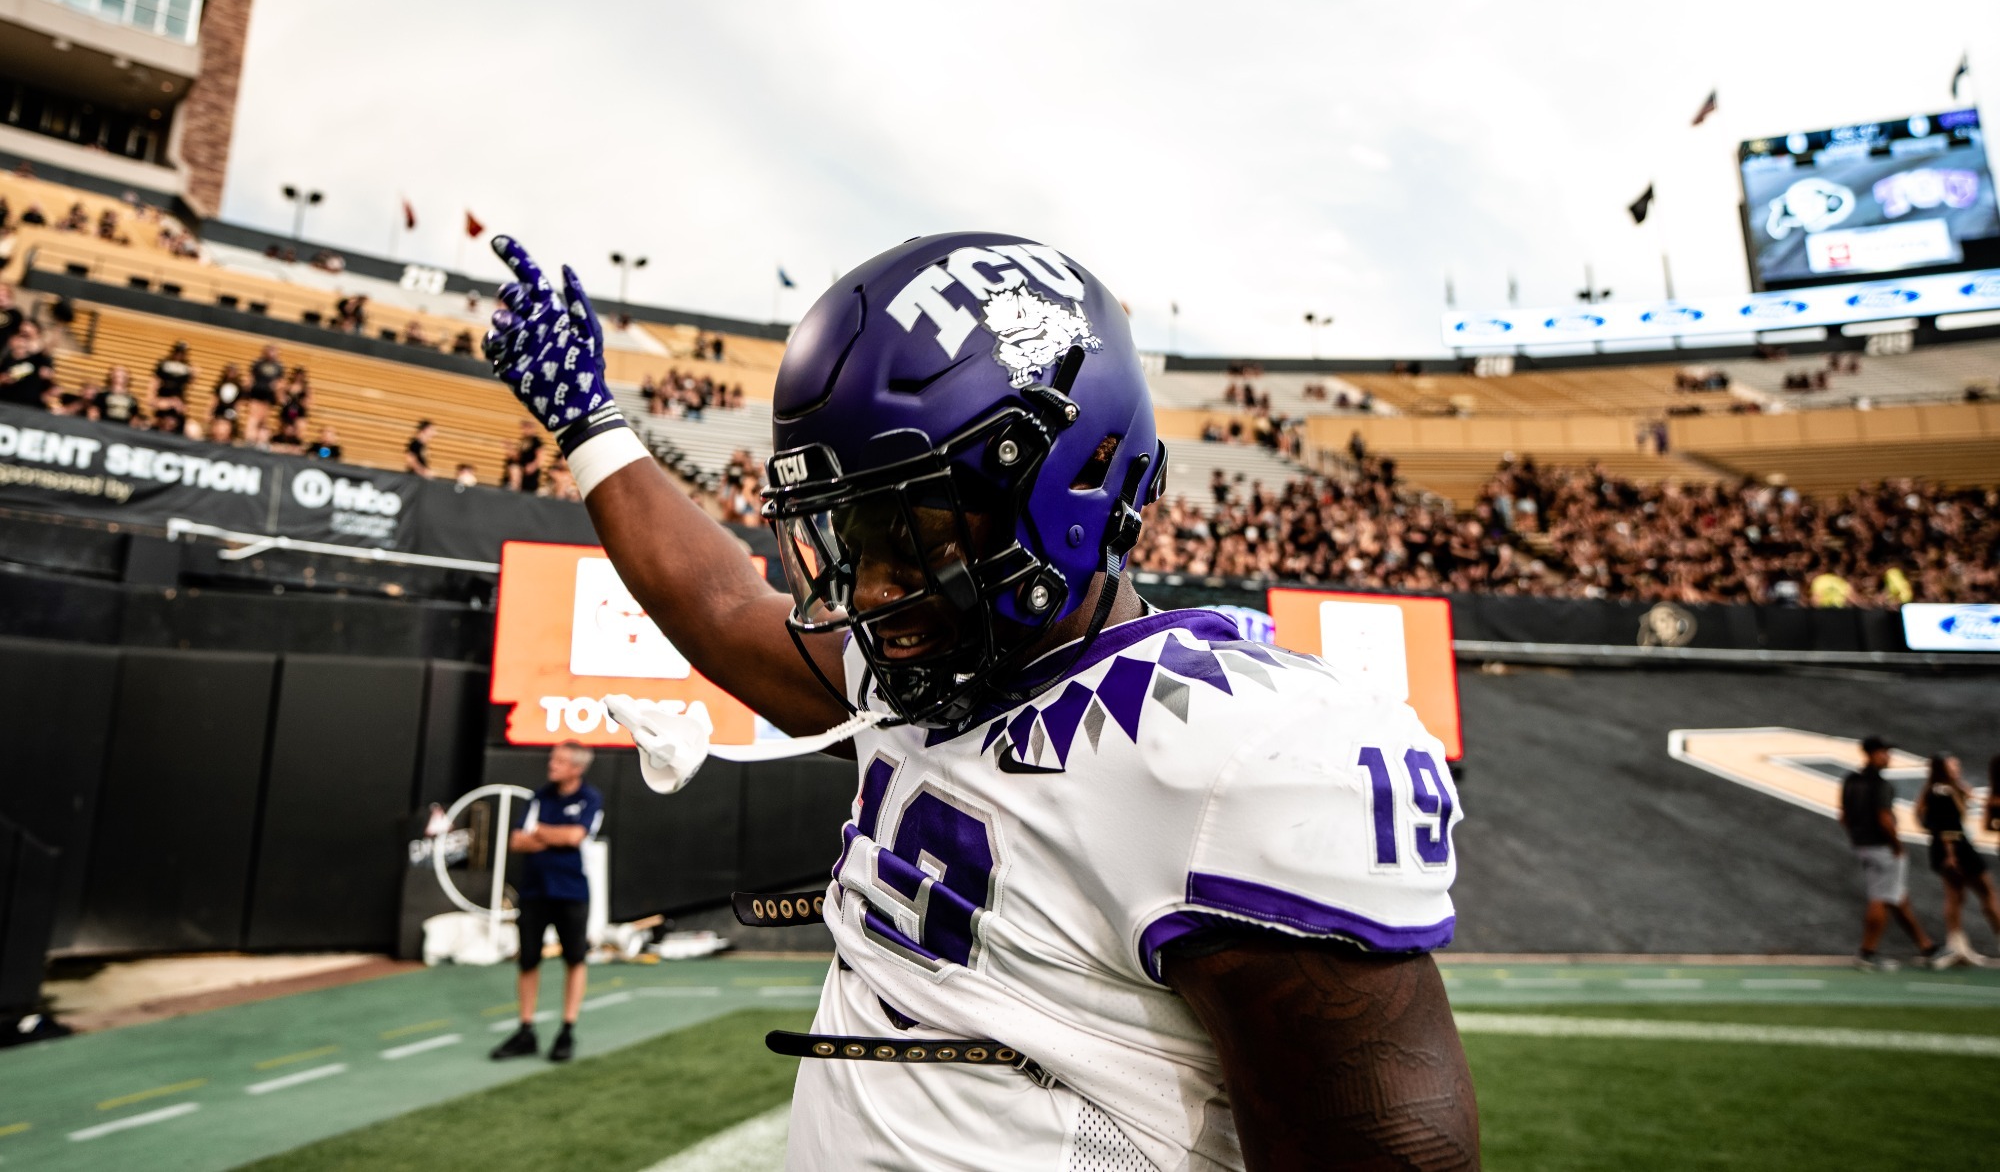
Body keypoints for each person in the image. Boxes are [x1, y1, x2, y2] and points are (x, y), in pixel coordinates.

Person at [482, 233, 1477, 1170]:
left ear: (1072, 483)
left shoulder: (1228, 754)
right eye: (845, 534)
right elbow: (722, 604)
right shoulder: (931, 664)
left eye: (908, 531)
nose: (870, 589)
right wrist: (590, 427)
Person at [490, 742, 603, 1065]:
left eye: (560, 761)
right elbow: (517, 840)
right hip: (534, 893)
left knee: (574, 959)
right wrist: (553, 835)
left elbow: (575, 837)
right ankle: (526, 1030)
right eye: (553, 759)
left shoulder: (589, 798)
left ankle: (567, 1029)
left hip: (571, 894)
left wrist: (540, 833)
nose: (552, 765)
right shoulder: (540, 796)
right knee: (527, 961)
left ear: (576, 768)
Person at [1840, 735, 1946, 970]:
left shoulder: (1850, 781)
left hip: (1863, 845)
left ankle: (1926, 946)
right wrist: (1897, 845)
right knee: (1881, 897)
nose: (1888, 756)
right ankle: (1867, 952)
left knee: (1897, 896)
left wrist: (1857, 838)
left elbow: (1844, 816)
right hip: (1882, 847)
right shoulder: (1881, 785)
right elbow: (1885, 819)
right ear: (1872, 754)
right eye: (1884, 752)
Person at [1921, 754, 2000, 966]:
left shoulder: (1935, 790)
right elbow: (1949, 826)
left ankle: (1958, 946)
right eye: (1953, 765)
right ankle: (1960, 946)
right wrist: (1951, 855)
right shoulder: (1944, 792)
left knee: (1956, 896)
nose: (1957, 768)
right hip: (1957, 849)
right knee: (1986, 892)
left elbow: (1925, 820)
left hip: (1944, 848)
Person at [0, 322, 58, 410]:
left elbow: (49, 346)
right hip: (6, 403)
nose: (22, 342)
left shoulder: (36, 359)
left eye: (25, 340)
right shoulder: (6, 359)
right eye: (19, 338)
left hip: (29, 406)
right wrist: (5, 378)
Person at [243, 345, 284, 445]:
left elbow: (280, 381)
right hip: (256, 394)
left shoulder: (278, 367)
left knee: (263, 420)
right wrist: (246, 395)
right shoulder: (258, 363)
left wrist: (278, 392)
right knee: (253, 417)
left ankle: (260, 440)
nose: (272, 354)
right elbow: (250, 378)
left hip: (268, 396)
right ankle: (249, 439)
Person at [151, 340, 194, 419]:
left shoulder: (188, 368)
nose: (179, 355)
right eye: (178, 352)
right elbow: (155, 381)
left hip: (178, 398)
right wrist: (152, 397)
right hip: (163, 396)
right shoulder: (164, 364)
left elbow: (188, 385)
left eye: (182, 353)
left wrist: (193, 375)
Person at [209, 363, 245, 441]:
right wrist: (210, 411)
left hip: (230, 410)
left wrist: (238, 413)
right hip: (219, 409)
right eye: (230, 371)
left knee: (227, 426)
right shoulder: (220, 384)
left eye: (233, 372)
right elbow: (215, 399)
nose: (231, 374)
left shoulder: (239, 386)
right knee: (217, 426)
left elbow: (239, 402)